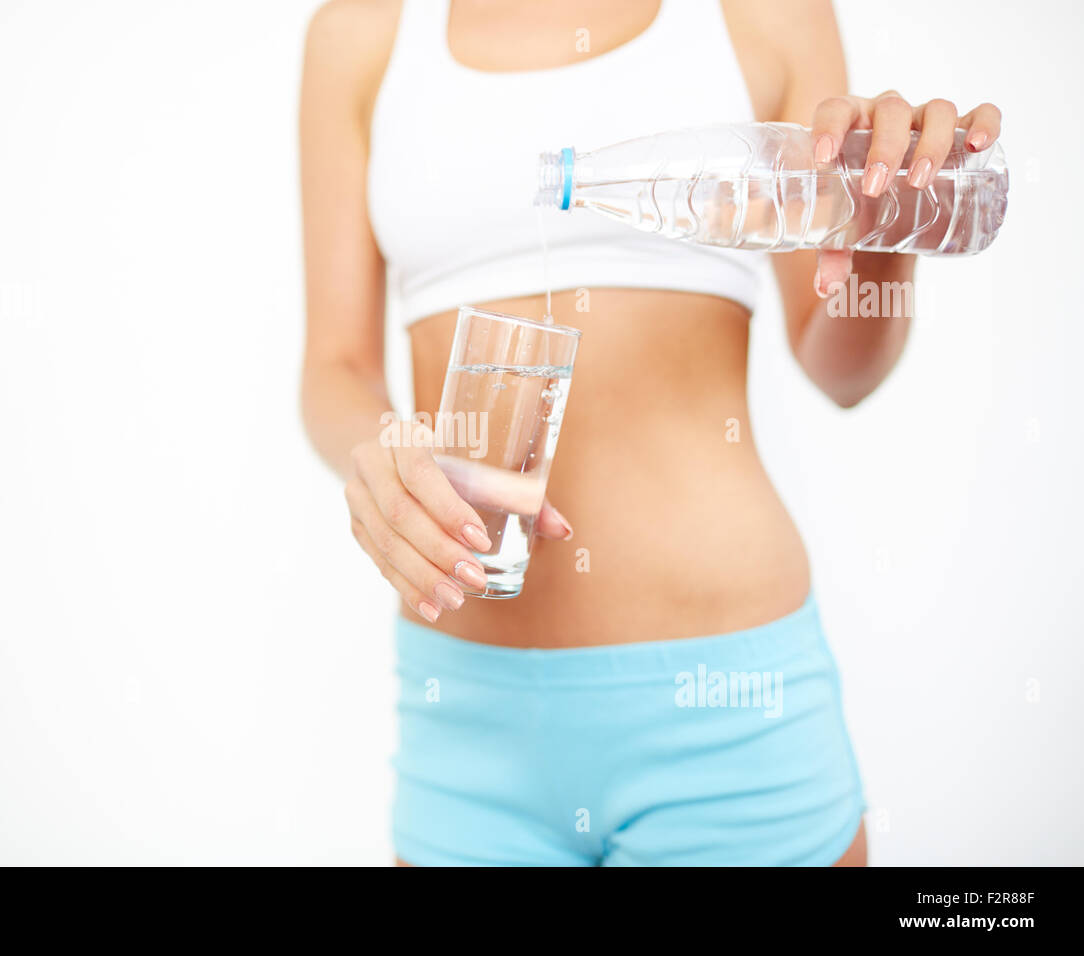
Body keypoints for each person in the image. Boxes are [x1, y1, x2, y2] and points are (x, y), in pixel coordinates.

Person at [299, 0, 1002, 866]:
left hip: (730, 718)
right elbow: (332, 365)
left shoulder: (766, 16)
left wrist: (890, 231)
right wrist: (382, 460)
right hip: (468, 725)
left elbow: (842, 370)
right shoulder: (363, 32)